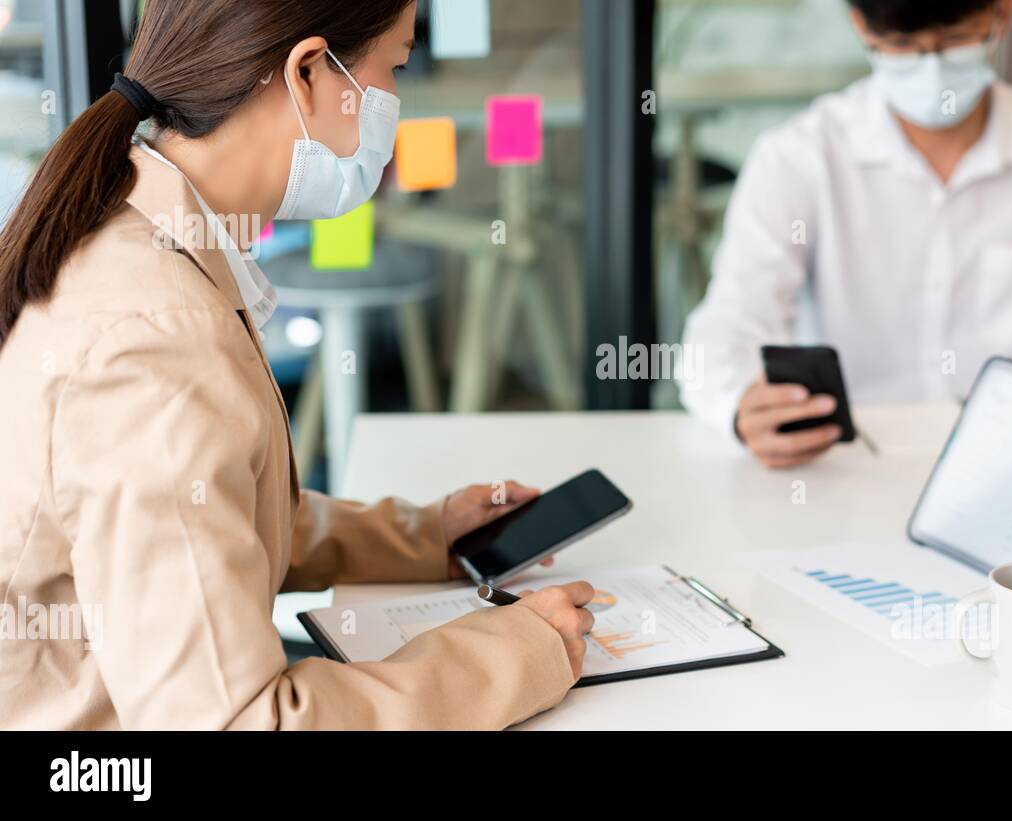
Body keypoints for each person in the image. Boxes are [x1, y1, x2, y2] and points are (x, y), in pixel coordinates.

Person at [0, 0, 593, 730]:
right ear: (310, 70)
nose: (396, 102)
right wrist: (515, 654)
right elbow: (241, 722)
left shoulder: (145, 229)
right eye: (395, 65)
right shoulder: (155, 342)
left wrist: (424, 536)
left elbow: (208, 520)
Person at [679, 0, 1012, 469]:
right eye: (903, 45)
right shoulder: (798, 157)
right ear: (861, 26)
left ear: (1003, 10)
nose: (931, 68)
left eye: (955, 41)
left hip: (1009, 462)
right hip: (842, 465)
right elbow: (730, 326)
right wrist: (740, 405)